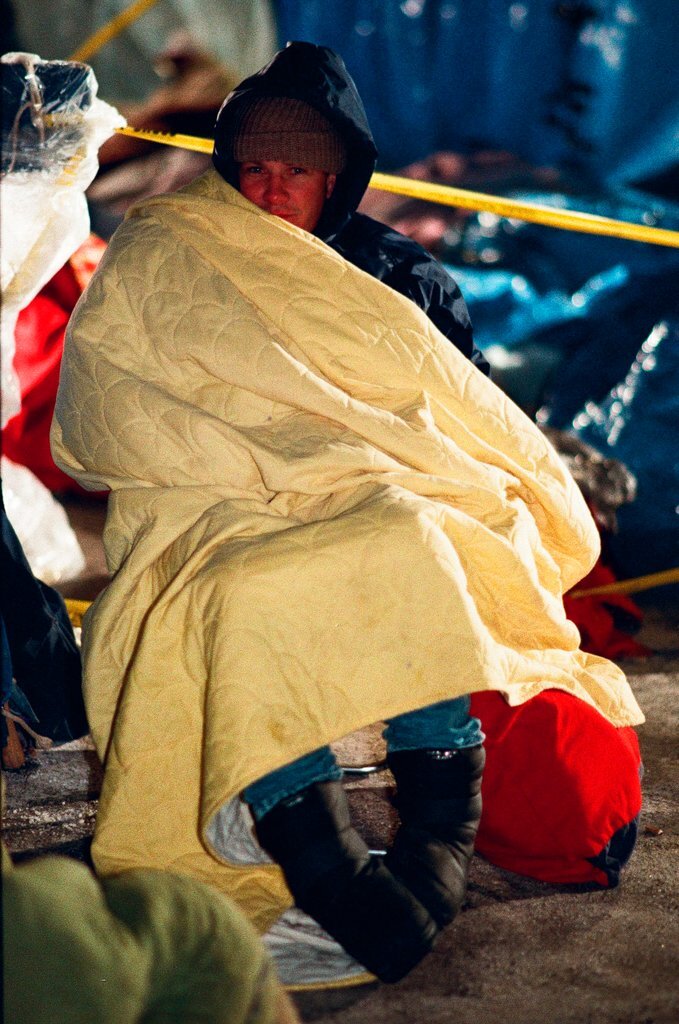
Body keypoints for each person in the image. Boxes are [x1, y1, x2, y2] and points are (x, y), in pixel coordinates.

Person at [52, 42, 643, 987]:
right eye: (254, 166)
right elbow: (103, 409)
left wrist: (362, 457)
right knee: (246, 596)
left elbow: (444, 406)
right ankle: (333, 870)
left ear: (337, 178)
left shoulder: (391, 273)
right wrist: (262, 460)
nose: (272, 188)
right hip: (209, 498)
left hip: (368, 485)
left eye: (297, 170)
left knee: (410, 537)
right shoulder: (168, 244)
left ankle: (433, 842)